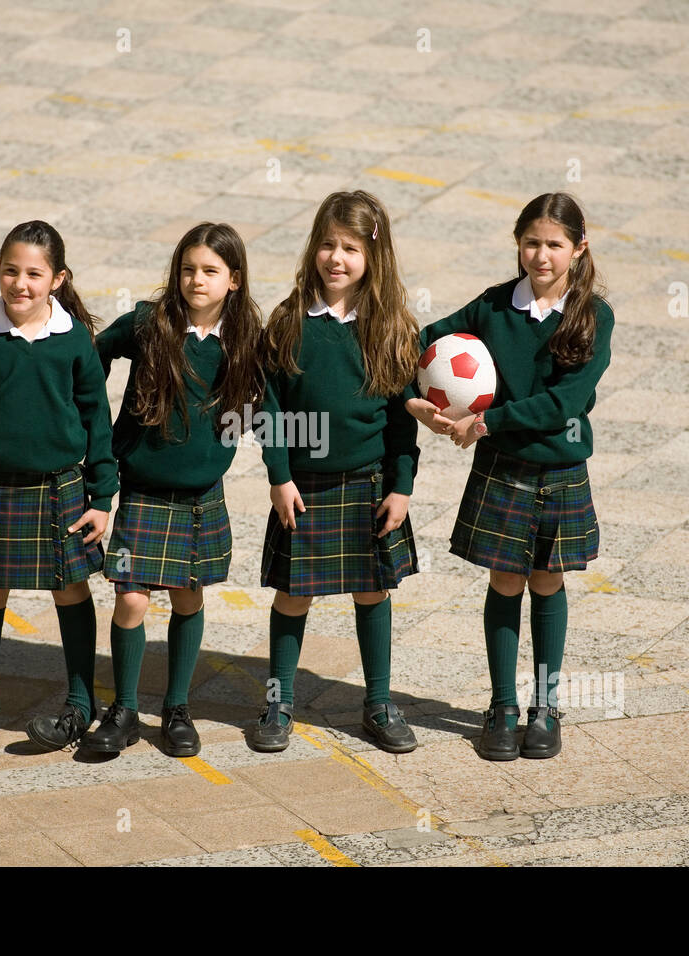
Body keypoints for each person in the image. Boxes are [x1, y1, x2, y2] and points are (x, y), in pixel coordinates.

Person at [407, 192, 614, 761]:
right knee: (504, 583)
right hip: (502, 470)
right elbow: (421, 340)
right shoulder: (494, 306)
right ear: (517, 243)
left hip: (560, 468)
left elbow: (563, 404)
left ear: (578, 248)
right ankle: (501, 707)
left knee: (547, 582)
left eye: (554, 244)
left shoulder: (594, 316)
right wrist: (416, 399)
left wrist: (486, 421)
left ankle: (545, 707)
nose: (540, 256)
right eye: (531, 242)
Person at [0, 220, 117, 766]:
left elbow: (97, 422)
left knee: (73, 592)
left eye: (34, 273)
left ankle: (81, 704)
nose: (20, 284)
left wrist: (103, 498)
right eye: (10, 271)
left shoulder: (76, 340)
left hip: (64, 491)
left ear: (57, 278)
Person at [253, 190, 422, 755]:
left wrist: (401, 486)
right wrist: (279, 476)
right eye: (327, 244)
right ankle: (278, 702)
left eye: (350, 247)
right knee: (292, 596)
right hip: (302, 488)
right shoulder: (288, 321)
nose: (336, 258)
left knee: (373, 592)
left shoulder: (393, 328)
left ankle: (378, 702)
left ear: (374, 256)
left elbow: (403, 423)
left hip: (369, 486)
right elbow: (268, 408)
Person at [85, 223, 264, 757]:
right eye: (188, 269)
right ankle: (123, 710)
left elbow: (263, 398)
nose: (196, 280)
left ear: (234, 279)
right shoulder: (147, 322)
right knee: (131, 600)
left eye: (210, 271)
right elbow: (93, 353)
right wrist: (91, 416)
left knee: (189, 596)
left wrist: (226, 442)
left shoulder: (246, 339)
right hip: (141, 488)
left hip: (200, 495)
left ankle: (177, 707)